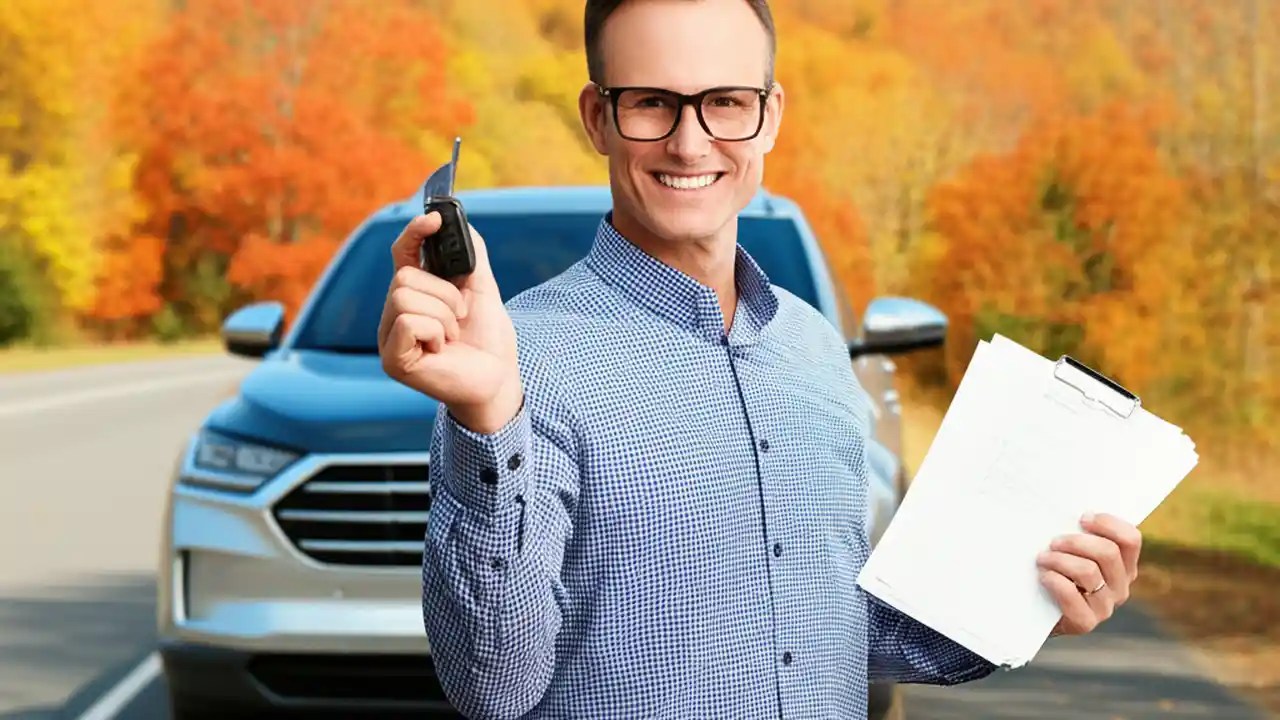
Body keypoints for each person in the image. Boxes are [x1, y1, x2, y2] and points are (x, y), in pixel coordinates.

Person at [377, 0, 1145, 717]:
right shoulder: (522, 364)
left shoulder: (813, 349)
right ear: (596, 117)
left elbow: (829, 634)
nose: (689, 141)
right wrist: (485, 414)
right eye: (651, 102)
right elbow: (492, 685)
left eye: (727, 102)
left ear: (769, 114)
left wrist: (1029, 597)